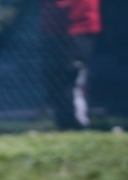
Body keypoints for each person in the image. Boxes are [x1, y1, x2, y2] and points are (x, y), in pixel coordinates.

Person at [40, 0, 101, 130]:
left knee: (71, 75)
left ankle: (76, 123)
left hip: (77, 27)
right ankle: (64, 121)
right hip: (54, 29)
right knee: (55, 77)